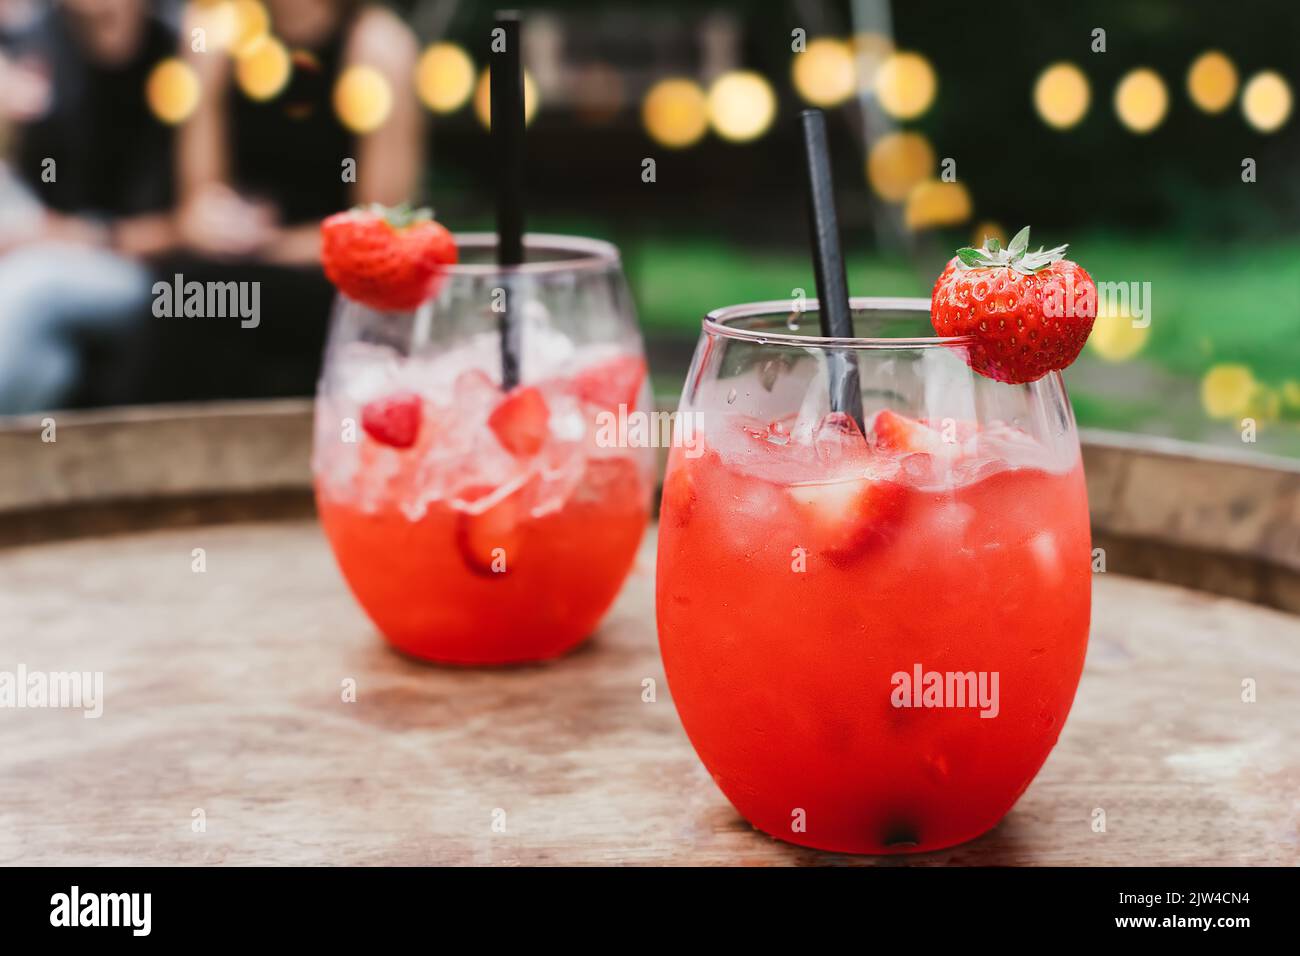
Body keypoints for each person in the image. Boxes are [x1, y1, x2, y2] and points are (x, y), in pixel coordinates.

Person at [134, 0, 422, 402]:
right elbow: (200, 197)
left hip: (328, 271)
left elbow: (379, 224)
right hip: (235, 262)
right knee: (186, 295)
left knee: (200, 297)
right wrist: (217, 223)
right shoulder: (218, 35)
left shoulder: (376, 46)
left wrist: (269, 245)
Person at [0, 0, 180, 413]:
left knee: (31, 287)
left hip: (148, 271)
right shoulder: (36, 47)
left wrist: (73, 235)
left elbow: (194, 224)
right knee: (49, 368)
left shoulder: (182, 55)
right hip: (42, 256)